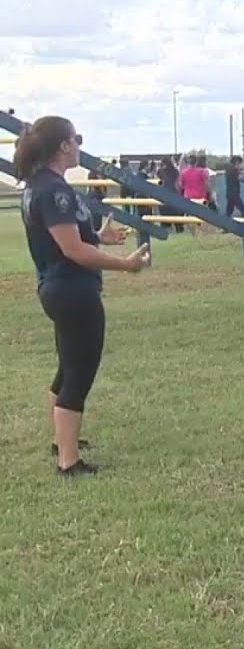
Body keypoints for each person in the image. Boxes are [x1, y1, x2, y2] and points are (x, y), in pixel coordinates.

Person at [14, 116, 150, 476]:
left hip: (57, 287)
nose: (79, 145)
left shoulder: (38, 186)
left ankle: (61, 441)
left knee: (67, 367)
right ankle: (68, 462)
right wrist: (126, 265)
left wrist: (99, 237)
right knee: (79, 374)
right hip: (73, 290)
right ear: (63, 146)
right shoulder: (54, 190)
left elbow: (62, 238)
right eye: (77, 139)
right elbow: (72, 250)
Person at [223, 155, 244, 220]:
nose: (240, 165)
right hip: (234, 194)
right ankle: (243, 225)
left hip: (230, 193)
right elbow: (242, 179)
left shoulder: (229, 169)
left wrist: (240, 170)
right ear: (237, 162)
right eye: (240, 163)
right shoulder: (233, 170)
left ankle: (225, 224)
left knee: (229, 212)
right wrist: (242, 170)